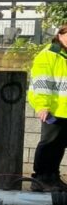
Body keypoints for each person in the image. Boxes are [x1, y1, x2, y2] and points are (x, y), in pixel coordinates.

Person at [27, 23, 67, 192]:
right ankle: (41, 178)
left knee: (59, 145)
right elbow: (42, 82)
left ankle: (53, 177)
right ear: (60, 35)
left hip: (64, 109)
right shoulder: (49, 55)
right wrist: (42, 106)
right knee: (49, 143)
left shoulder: (63, 55)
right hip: (52, 109)